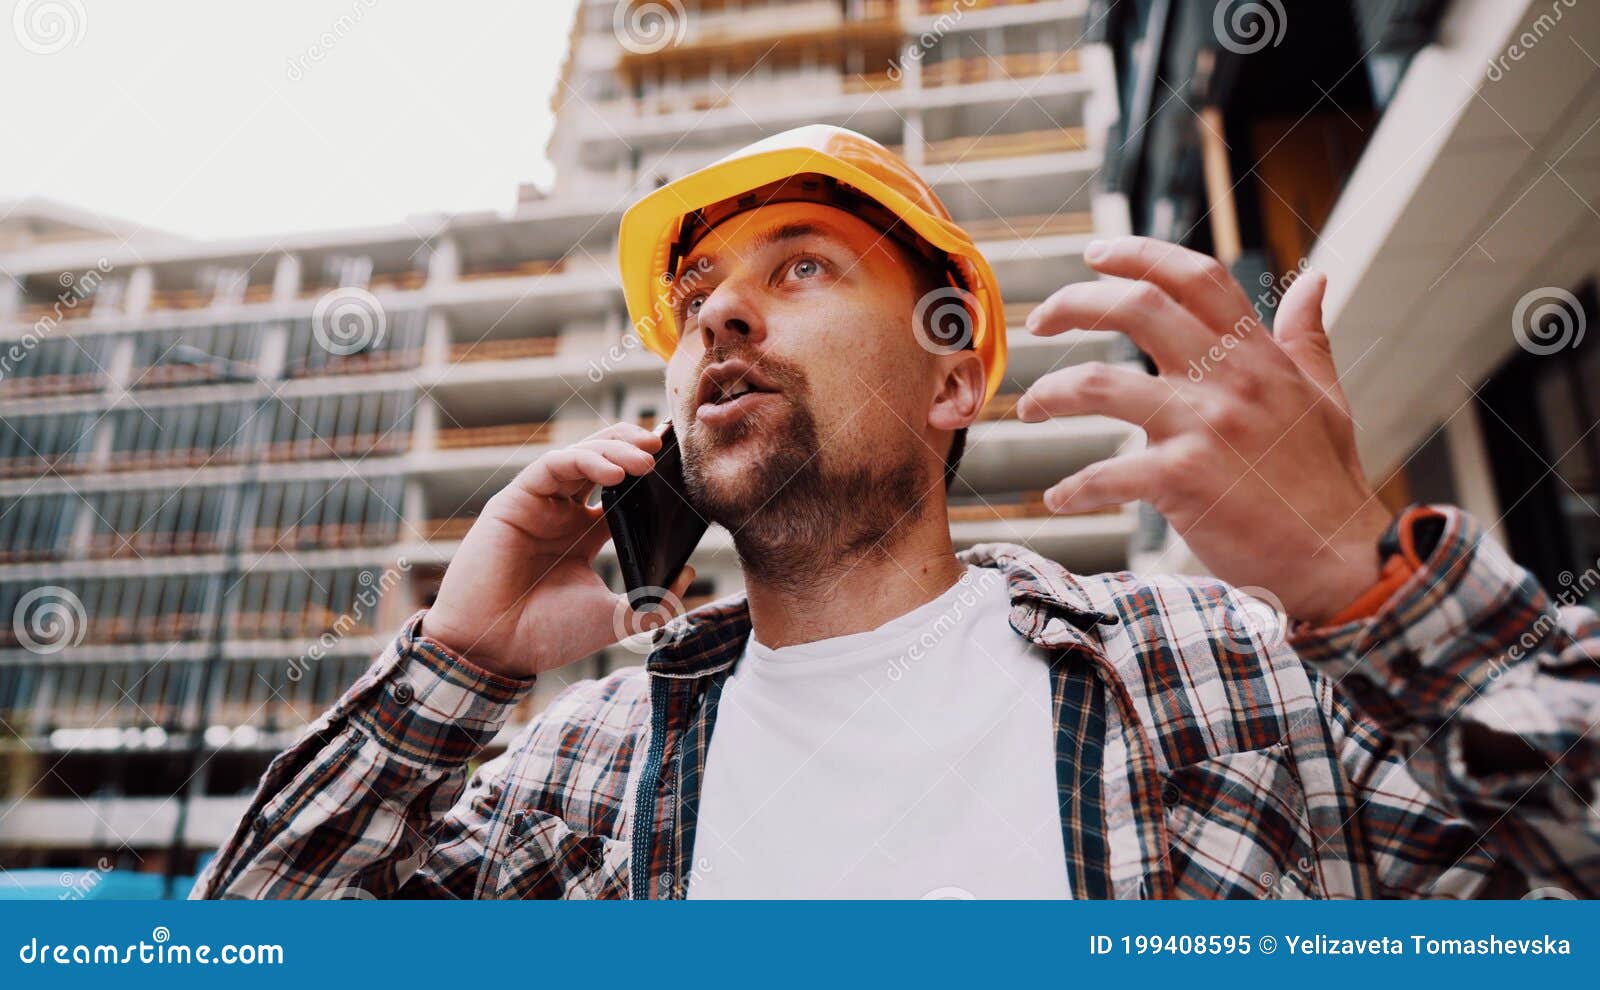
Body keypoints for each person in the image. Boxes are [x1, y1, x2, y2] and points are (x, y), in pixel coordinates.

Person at [195, 126, 1599, 899]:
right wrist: (456, 662)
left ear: (954, 372)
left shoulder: (1229, 674)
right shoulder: (577, 779)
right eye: (694, 306)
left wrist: (1369, 588)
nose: (722, 313)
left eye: (801, 267)